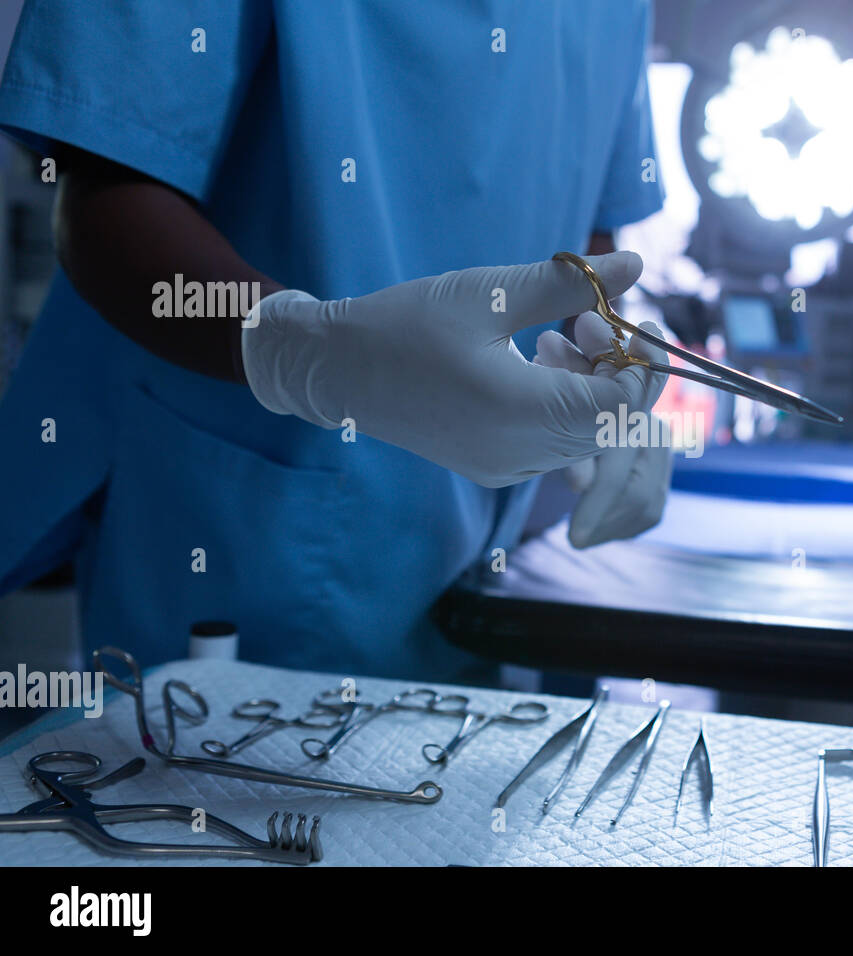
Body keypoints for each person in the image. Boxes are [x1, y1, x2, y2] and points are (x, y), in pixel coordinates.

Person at [0, 1, 670, 679]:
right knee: (196, 764)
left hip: (483, 562)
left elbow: (592, 236)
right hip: (244, 539)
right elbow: (105, 195)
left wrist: (611, 363)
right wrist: (298, 350)